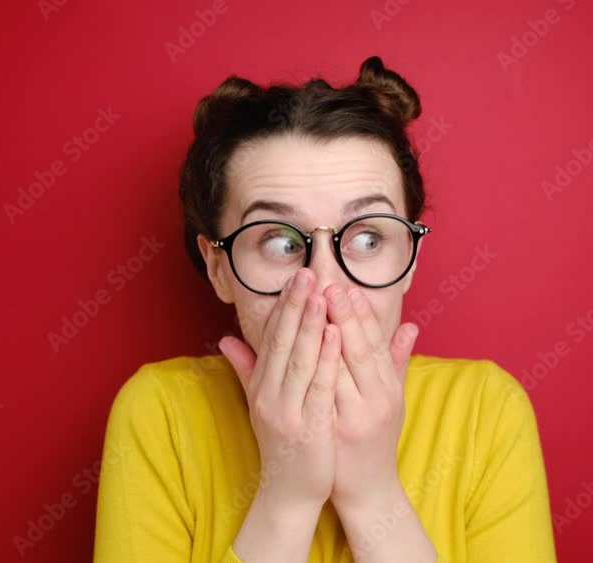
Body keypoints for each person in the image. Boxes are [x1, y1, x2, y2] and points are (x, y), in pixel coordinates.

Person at [93, 56, 557, 563]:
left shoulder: (484, 411)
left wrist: (372, 493)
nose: (324, 287)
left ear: (410, 258)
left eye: (366, 237)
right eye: (278, 242)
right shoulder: (161, 413)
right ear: (218, 268)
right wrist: (287, 497)